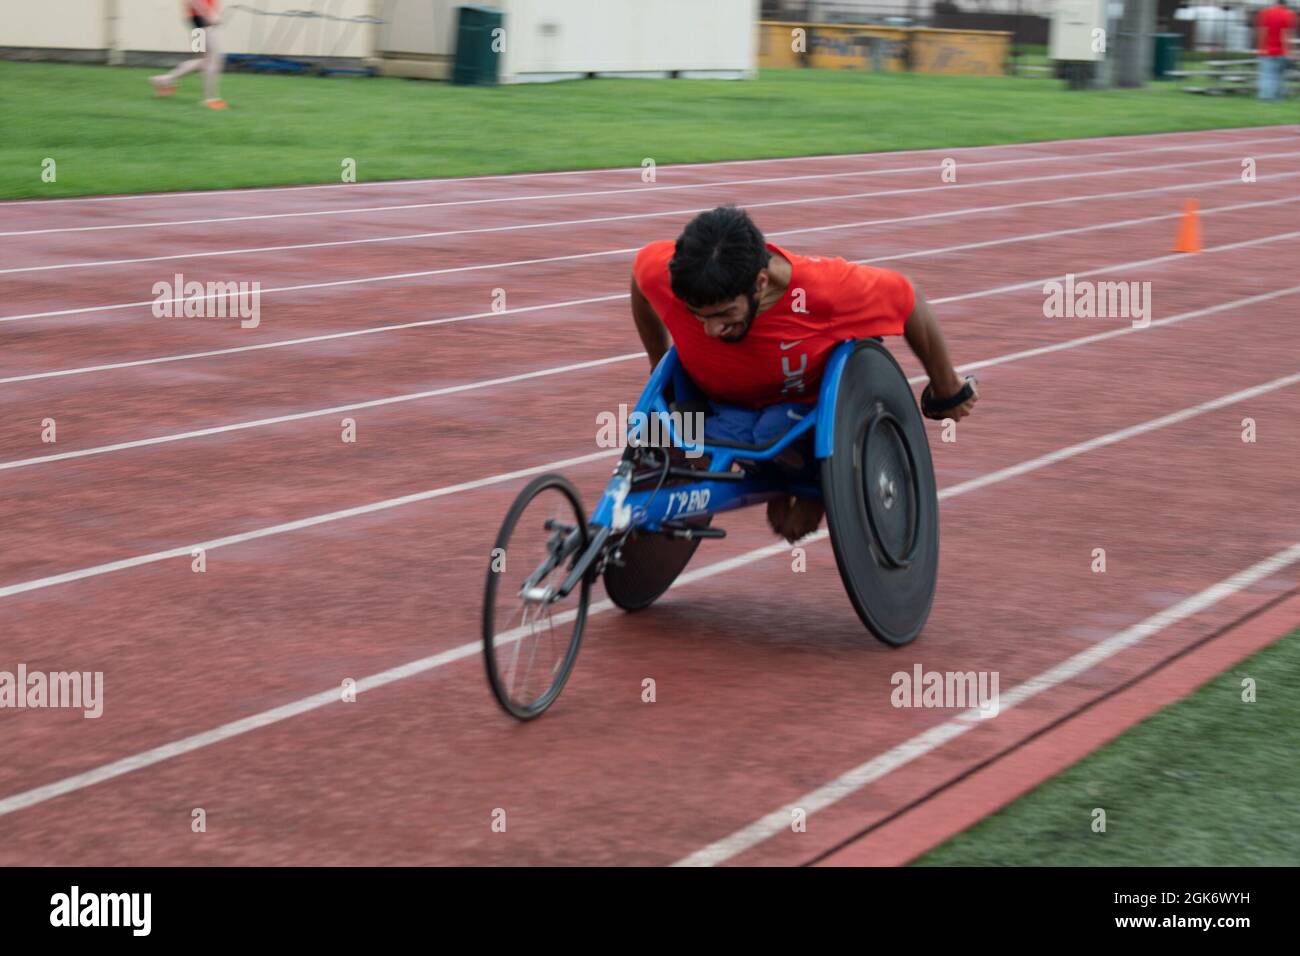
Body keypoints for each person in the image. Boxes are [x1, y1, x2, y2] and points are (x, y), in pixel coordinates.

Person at [630, 205, 977, 544]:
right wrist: (658, 360)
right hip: (715, 406)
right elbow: (640, 277)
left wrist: (947, 390)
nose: (710, 329)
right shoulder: (665, 272)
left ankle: (811, 482)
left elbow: (908, 298)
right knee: (673, 430)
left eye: (724, 314)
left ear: (760, 283)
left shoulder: (822, 291)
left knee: (767, 435)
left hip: (796, 416)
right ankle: (774, 473)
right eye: (697, 315)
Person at [150, 0, 227, 110]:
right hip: (202, 19)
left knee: (204, 60)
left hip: (197, 20)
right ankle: (210, 99)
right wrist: (209, 14)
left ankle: (164, 80)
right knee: (214, 58)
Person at [1257, 0, 1296, 101]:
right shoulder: (1289, 14)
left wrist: (1261, 49)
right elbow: (1286, 34)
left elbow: (1263, 32)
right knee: (1279, 76)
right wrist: (1289, 52)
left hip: (1267, 50)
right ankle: (1276, 97)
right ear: (1285, 4)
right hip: (1281, 51)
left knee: (1266, 75)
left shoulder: (1265, 13)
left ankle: (1265, 96)